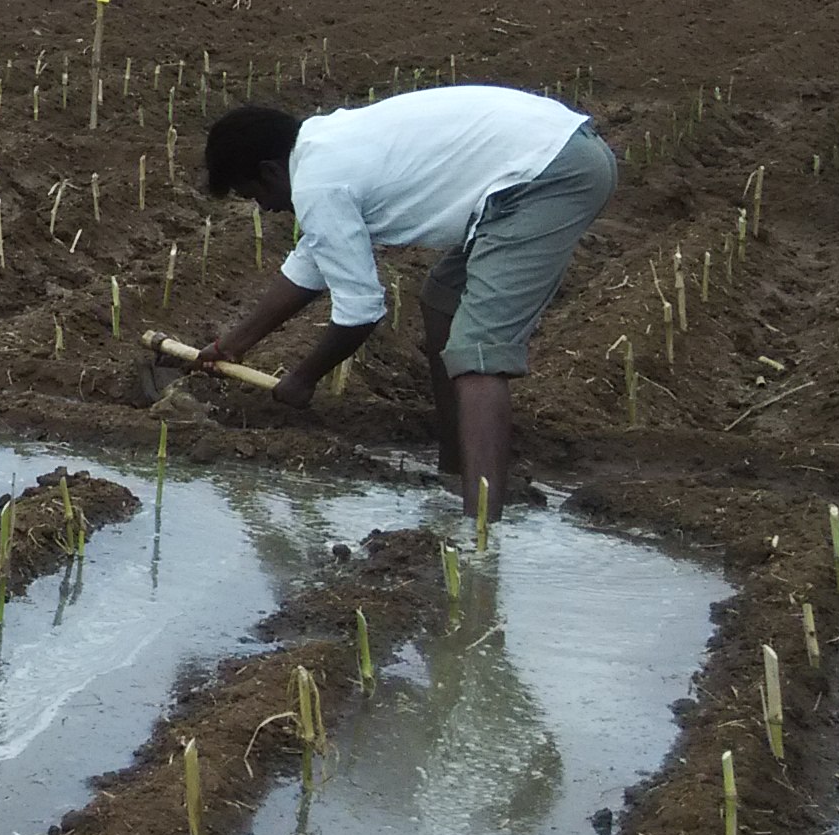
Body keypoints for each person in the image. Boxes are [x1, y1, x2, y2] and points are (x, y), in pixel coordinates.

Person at [196, 85, 616, 515]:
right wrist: (232, 346)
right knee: (442, 301)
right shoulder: (325, 146)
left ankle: (479, 532)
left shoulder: (319, 183)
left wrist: (303, 379)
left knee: (478, 352)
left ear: (269, 173)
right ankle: (454, 473)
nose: (265, 209)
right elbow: (312, 264)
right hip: (551, 154)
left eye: (254, 196)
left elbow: (360, 313)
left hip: (548, 174)